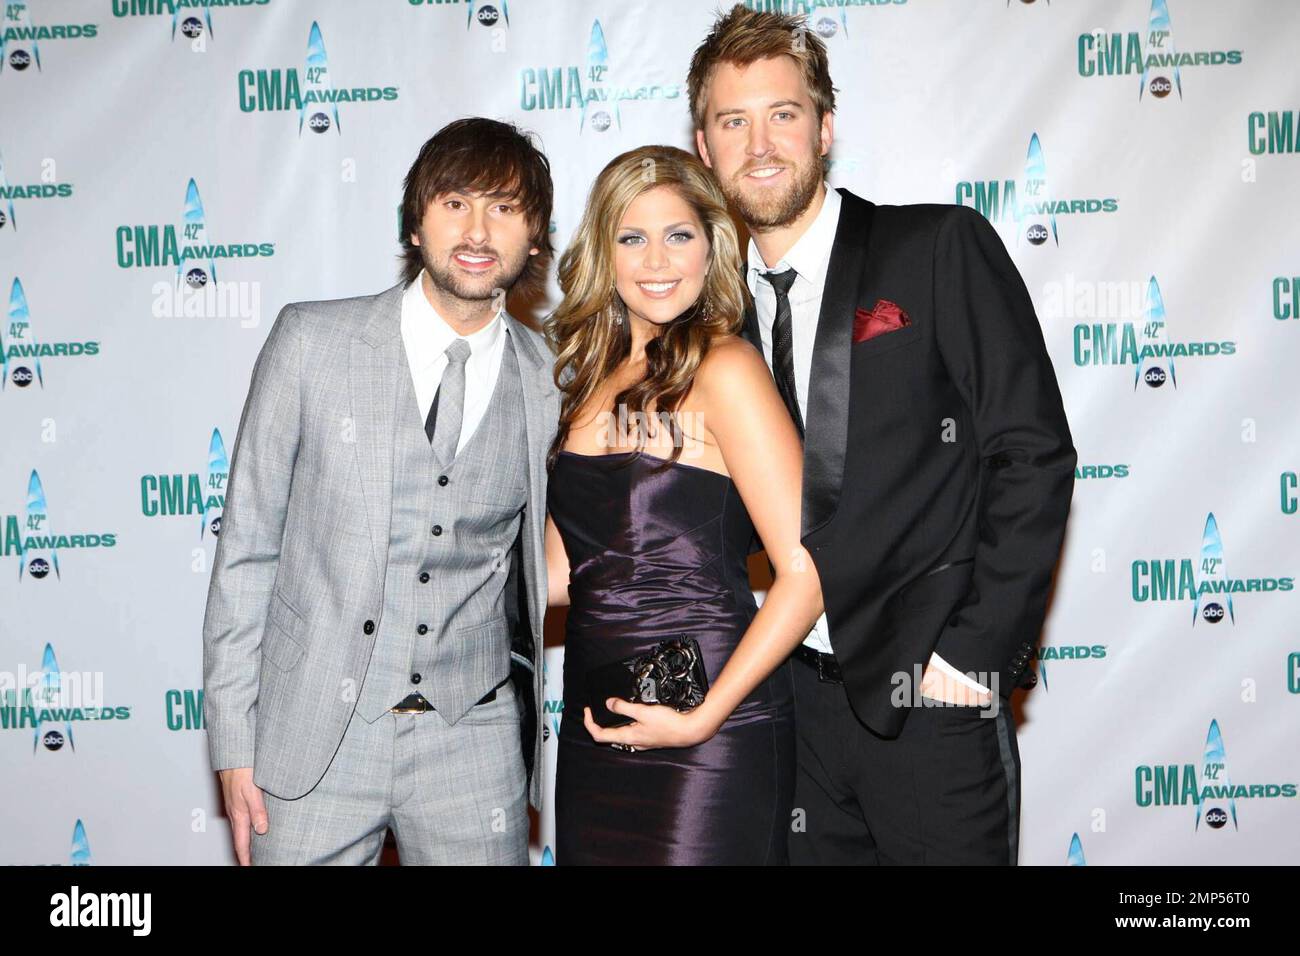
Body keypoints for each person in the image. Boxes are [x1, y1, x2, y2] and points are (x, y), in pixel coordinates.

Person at [687, 5, 1077, 864]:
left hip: (929, 702)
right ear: (706, 148)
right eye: (733, 121)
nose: (760, 145)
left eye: (783, 114)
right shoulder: (708, 313)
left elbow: (1033, 452)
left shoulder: (936, 248)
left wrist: (971, 657)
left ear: (825, 128)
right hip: (789, 709)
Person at [202, 117, 561, 865]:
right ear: (415, 221)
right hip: (314, 740)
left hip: (473, 738)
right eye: (455, 202)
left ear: (534, 239)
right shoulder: (310, 342)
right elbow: (246, 551)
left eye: (504, 207)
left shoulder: (551, 378)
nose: (476, 228)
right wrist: (233, 742)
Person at [544, 144, 823, 864]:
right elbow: (554, 575)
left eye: (679, 236)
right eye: (631, 238)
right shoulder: (584, 383)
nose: (657, 261)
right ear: (604, 253)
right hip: (595, 731)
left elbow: (807, 573)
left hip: (711, 735)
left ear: (712, 246)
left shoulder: (727, 369)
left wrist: (703, 717)